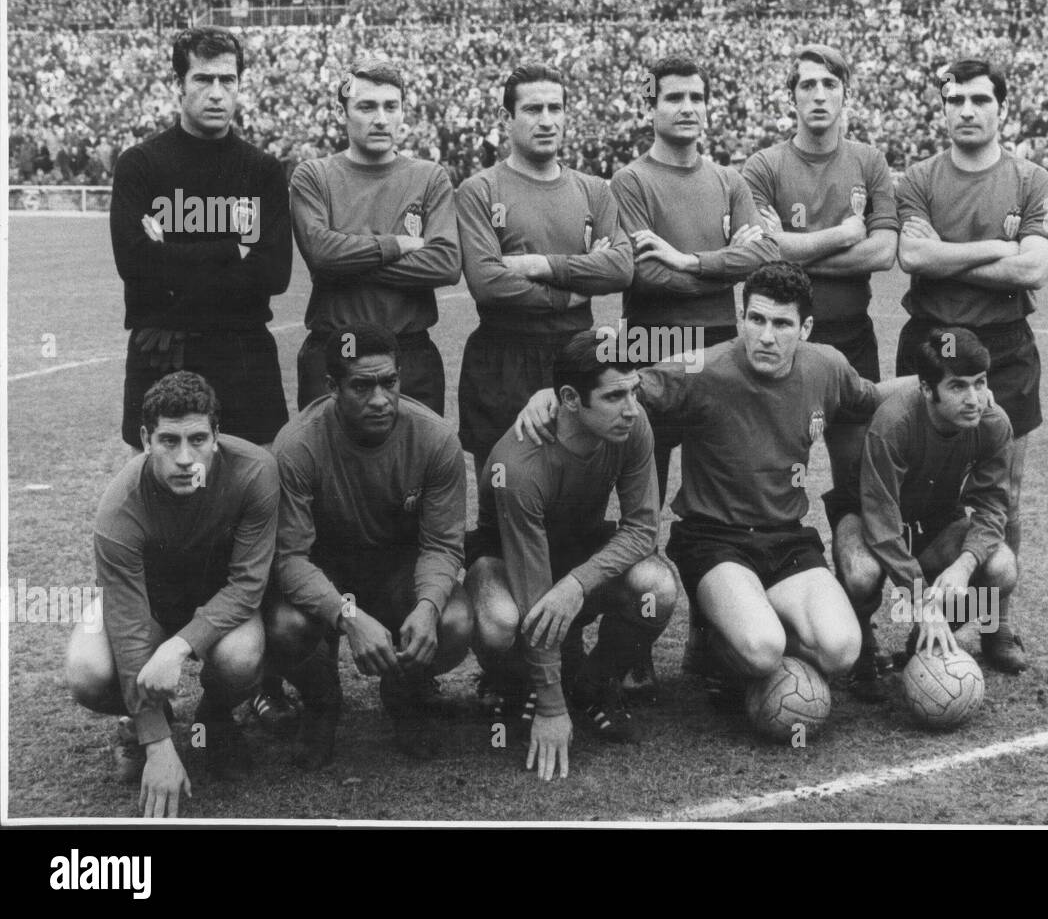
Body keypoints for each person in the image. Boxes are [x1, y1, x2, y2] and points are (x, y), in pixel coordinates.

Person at [517, 262, 918, 720]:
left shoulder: (827, 366)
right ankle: (723, 642)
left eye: (782, 324)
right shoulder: (702, 367)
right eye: (756, 319)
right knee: (763, 650)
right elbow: (620, 382)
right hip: (714, 541)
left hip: (787, 538)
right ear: (742, 317)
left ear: (804, 327)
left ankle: (751, 628)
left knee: (841, 651)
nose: (766, 336)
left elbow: (868, 396)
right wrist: (546, 396)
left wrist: (930, 386)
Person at [611, 53, 778, 695]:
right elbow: (639, 272)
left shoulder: (729, 179)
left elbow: (762, 252)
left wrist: (686, 257)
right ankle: (636, 640)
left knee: (722, 500)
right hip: (654, 344)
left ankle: (713, 642)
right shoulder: (629, 181)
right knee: (643, 502)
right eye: (674, 96)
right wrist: (717, 263)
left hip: (718, 349)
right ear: (649, 106)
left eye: (697, 96)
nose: (688, 107)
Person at [895, 58, 1048, 673]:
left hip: (1006, 348)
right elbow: (911, 254)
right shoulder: (916, 179)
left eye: (979, 99)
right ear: (942, 109)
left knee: (1005, 494)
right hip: (930, 343)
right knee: (917, 491)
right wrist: (997, 247)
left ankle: (996, 625)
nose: (967, 109)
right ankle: (912, 620)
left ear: (1001, 109)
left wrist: (947, 257)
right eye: (955, 99)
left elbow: (1034, 268)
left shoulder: (1031, 180)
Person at [741, 44, 899, 690]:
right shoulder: (763, 166)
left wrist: (800, 251)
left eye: (829, 83)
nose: (817, 94)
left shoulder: (870, 161)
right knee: (755, 476)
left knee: (860, 478)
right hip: (779, 344)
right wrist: (842, 236)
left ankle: (857, 632)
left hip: (850, 341)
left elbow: (885, 250)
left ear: (845, 93)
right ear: (791, 97)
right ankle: (722, 626)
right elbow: (764, 262)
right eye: (805, 84)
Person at [65, 372, 278, 818]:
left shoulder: (256, 471)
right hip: (146, 607)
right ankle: (140, 722)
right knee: (87, 671)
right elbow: (126, 623)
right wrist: (157, 743)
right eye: (169, 441)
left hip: (219, 604)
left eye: (198, 438)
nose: (185, 458)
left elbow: (247, 585)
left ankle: (215, 719)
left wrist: (180, 646)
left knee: (241, 656)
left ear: (217, 435)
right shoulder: (119, 508)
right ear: (145, 438)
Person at [470, 330, 676, 780]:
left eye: (634, 390)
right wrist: (550, 707)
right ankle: (518, 683)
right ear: (569, 398)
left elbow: (642, 529)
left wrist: (577, 583)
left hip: (579, 550)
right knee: (500, 620)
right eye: (614, 395)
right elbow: (531, 587)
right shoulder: (519, 466)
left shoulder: (633, 423)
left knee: (656, 587)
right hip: (509, 559)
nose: (631, 407)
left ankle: (594, 685)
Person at [264, 325, 473, 768]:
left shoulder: (435, 439)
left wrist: (428, 606)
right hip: (326, 571)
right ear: (331, 387)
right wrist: (348, 616)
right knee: (283, 625)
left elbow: (442, 544)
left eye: (389, 383)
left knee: (453, 620)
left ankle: (404, 694)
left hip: (399, 571)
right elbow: (290, 558)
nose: (380, 399)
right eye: (362, 386)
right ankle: (322, 702)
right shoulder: (297, 445)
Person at [455, 62, 633, 515]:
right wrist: (571, 288)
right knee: (500, 500)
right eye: (533, 108)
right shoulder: (479, 189)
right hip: (501, 355)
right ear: (505, 118)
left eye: (556, 108)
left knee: (577, 501)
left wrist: (542, 265)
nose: (547, 119)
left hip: (576, 353)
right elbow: (487, 282)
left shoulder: (595, 191)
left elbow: (619, 268)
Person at [109, 26, 291, 451]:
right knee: (157, 488)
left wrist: (170, 256)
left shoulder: (262, 169)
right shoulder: (139, 165)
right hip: (162, 352)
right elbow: (134, 264)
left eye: (227, 80)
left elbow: (274, 274)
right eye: (203, 79)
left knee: (254, 487)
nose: (216, 92)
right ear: (178, 85)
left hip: (244, 353)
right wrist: (233, 249)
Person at [839, 327, 1023, 702]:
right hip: (869, 518)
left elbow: (991, 507)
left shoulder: (993, 422)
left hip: (935, 522)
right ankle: (863, 648)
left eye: (980, 383)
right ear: (927, 389)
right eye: (958, 387)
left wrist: (965, 564)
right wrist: (921, 599)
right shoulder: (894, 423)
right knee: (861, 574)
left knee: (1001, 568)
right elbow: (880, 521)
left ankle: (923, 639)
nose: (975, 399)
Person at [289, 58, 461, 414]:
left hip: (409, 352)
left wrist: (346, 256)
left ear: (403, 112)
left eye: (390, 106)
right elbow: (321, 254)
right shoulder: (314, 175)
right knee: (328, 466)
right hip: (334, 351)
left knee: (415, 465)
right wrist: (395, 244)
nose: (380, 118)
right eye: (366, 106)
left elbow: (445, 264)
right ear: (342, 112)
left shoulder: (430, 177)